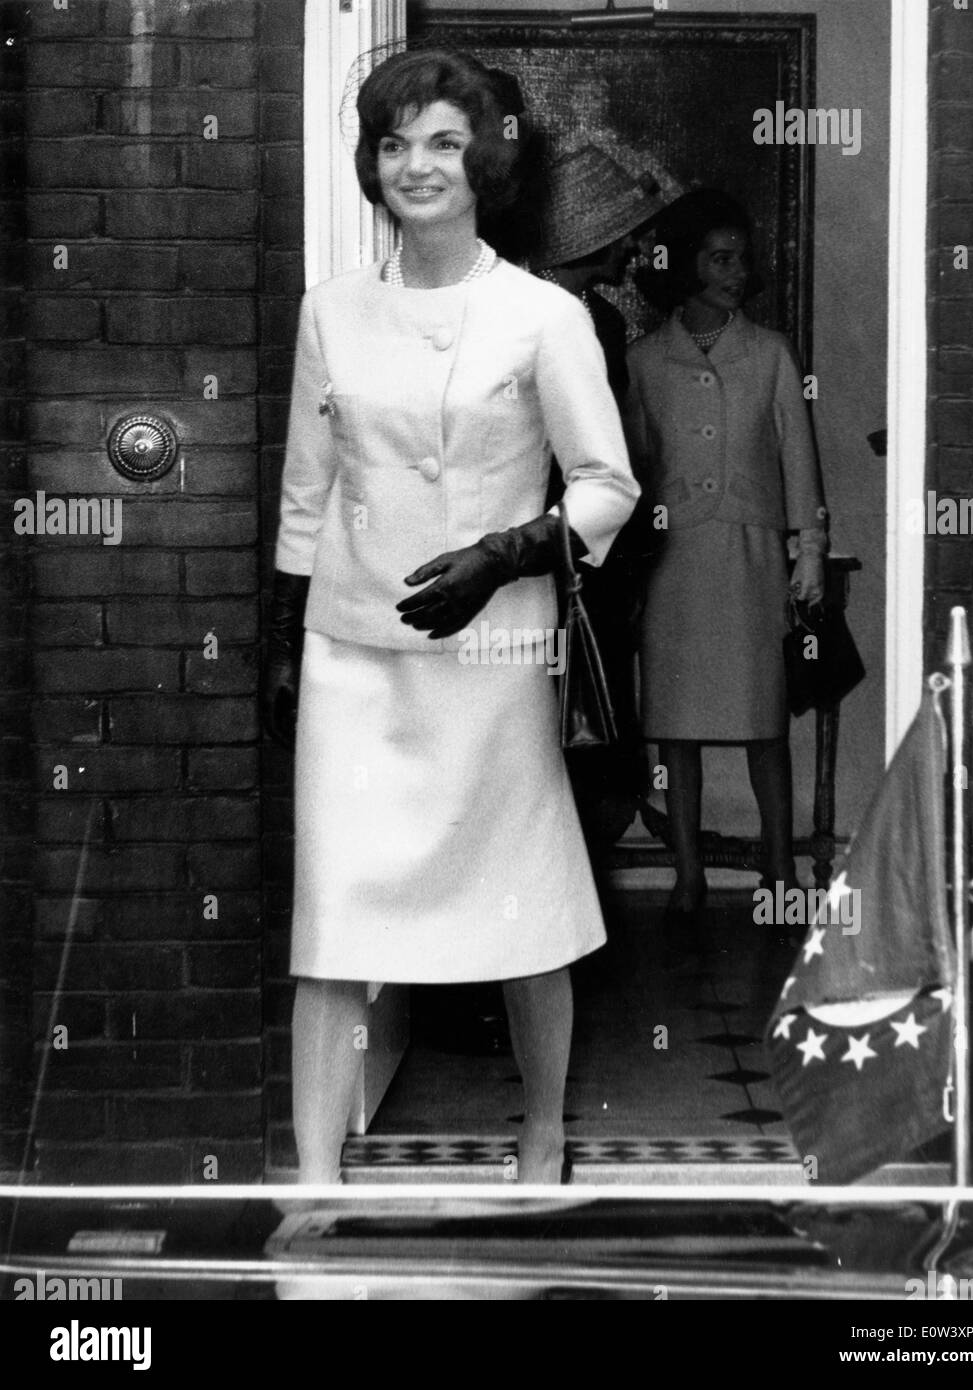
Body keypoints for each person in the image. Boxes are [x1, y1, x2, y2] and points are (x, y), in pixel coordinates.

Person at [262, 49, 639, 1185]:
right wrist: (285, 649)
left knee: (523, 917)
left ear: (486, 161)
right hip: (353, 662)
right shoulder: (330, 312)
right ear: (370, 166)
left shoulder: (544, 314)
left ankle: (543, 1130)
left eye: (440, 142)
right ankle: (318, 1180)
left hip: (496, 656)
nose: (415, 166)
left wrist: (506, 553)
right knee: (333, 927)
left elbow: (608, 483)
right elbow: (303, 489)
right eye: (392, 143)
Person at [625, 189, 827, 927]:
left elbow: (800, 461)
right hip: (673, 559)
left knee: (763, 722)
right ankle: (686, 875)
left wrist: (808, 551)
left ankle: (778, 867)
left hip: (750, 556)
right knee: (675, 727)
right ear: (685, 266)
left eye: (741, 260)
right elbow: (632, 471)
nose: (734, 273)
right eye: (719, 259)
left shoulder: (772, 353)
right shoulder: (644, 361)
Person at [530, 144, 685, 856]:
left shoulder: (605, 323)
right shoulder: (524, 317)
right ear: (591, 234)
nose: (637, 249)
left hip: (592, 560)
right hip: (531, 559)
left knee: (596, 734)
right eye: (628, 233)